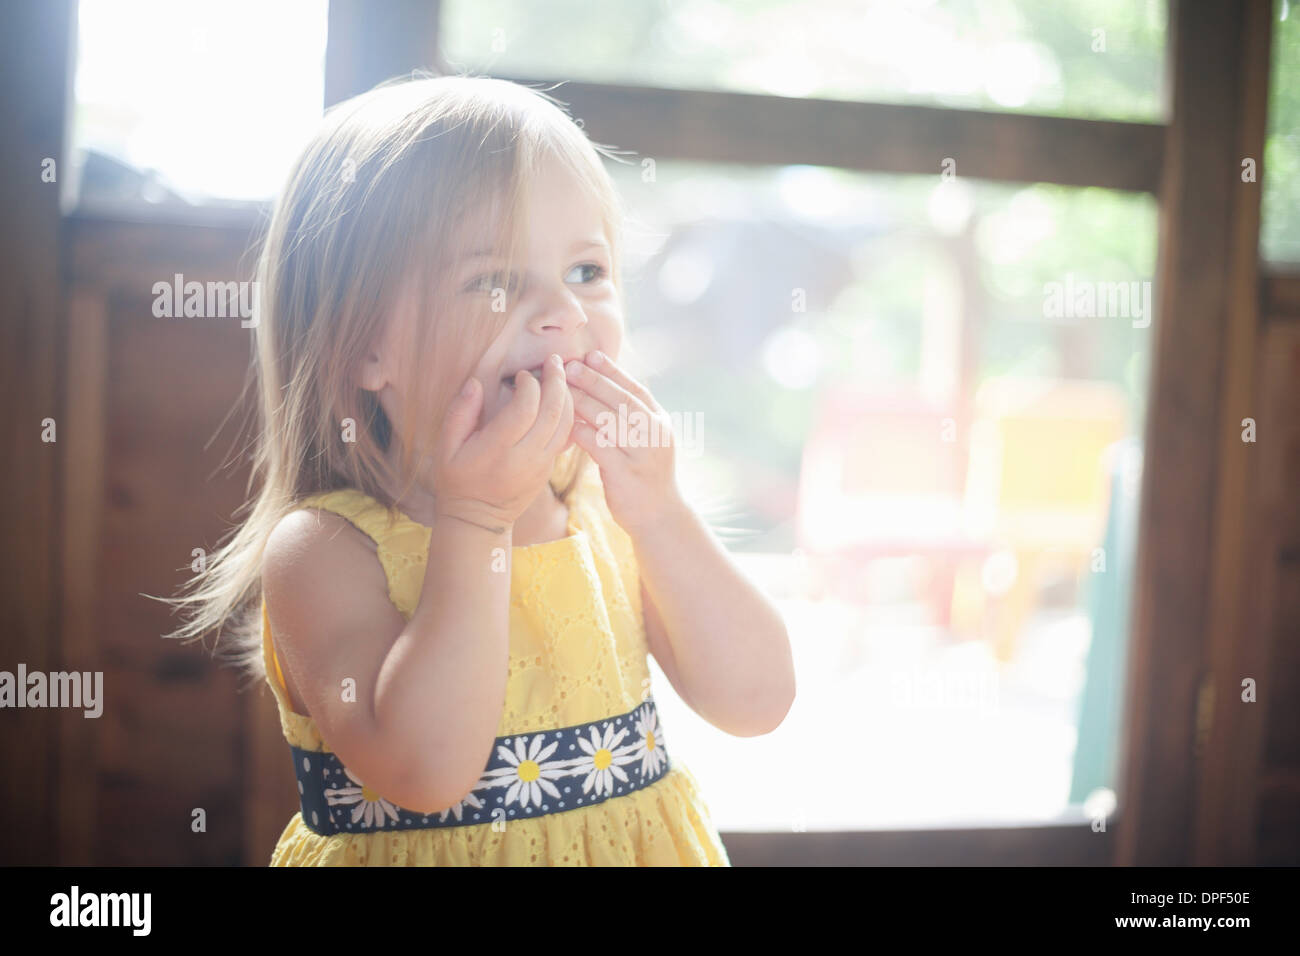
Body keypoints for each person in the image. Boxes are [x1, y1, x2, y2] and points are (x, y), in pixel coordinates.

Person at [162, 73, 795, 865]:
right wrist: (475, 523)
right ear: (364, 346)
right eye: (493, 280)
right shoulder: (324, 550)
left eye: (587, 272)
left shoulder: (606, 510)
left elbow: (758, 701)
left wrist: (664, 515)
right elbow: (426, 770)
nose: (563, 312)